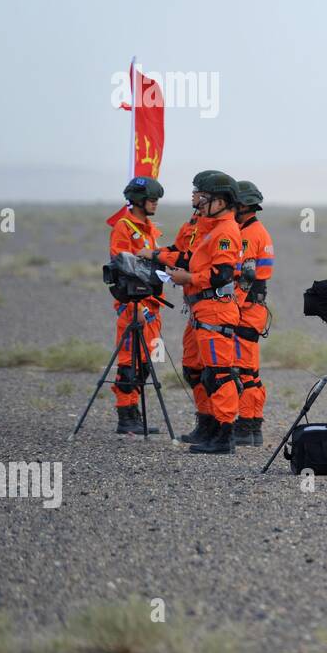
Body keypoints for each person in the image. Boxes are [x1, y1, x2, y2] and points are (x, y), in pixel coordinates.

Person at [145, 173, 243, 453]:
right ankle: (208, 424)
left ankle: (225, 435)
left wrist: (188, 278)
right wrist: (157, 257)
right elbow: (189, 257)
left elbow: (222, 274)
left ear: (220, 201)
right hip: (201, 309)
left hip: (215, 309)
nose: (196, 200)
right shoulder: (209, 228)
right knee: (195, 369)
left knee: (219, 373)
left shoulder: (226, 231)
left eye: (203, 196)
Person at [109, 177, 165, 434]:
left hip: (152, 306)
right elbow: (123, 267)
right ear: (138, 200)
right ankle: (126, 416)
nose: (155, 204)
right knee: (128, 362)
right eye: (151, 200)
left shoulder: (150, 229)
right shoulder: (124, 227)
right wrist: (136, 308)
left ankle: (135, 414)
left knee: (143, 363)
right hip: (133, 305)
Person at [231, 180, 274, 447]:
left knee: (244, 370)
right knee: (251, 370)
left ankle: (246, 425)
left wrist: (228, 307)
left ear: (244, 205)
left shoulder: (248, 235)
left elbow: (245, 278)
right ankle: (254, 426)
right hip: (254, 308)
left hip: (246, 309)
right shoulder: (258, 231)